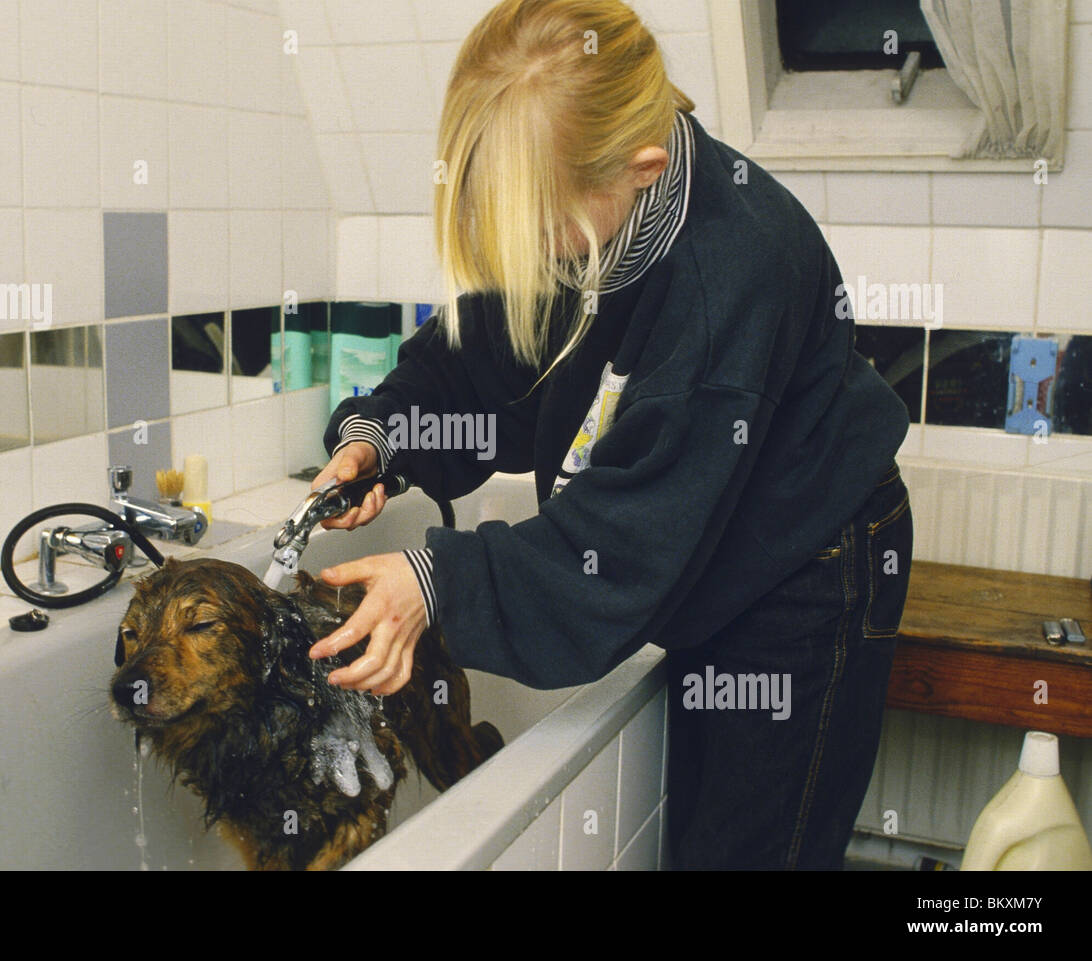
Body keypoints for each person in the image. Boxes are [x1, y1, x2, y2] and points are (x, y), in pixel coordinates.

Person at [306, 0, 914, 870]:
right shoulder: (597, 206)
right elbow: (486, 357)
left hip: (808, 570)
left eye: (542, 225)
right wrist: (379, 437)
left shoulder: (731, 279)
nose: (534, 251)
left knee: (750, 856)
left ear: (641, 168)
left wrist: (439, 580)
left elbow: (625, 542)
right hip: (712, 530)